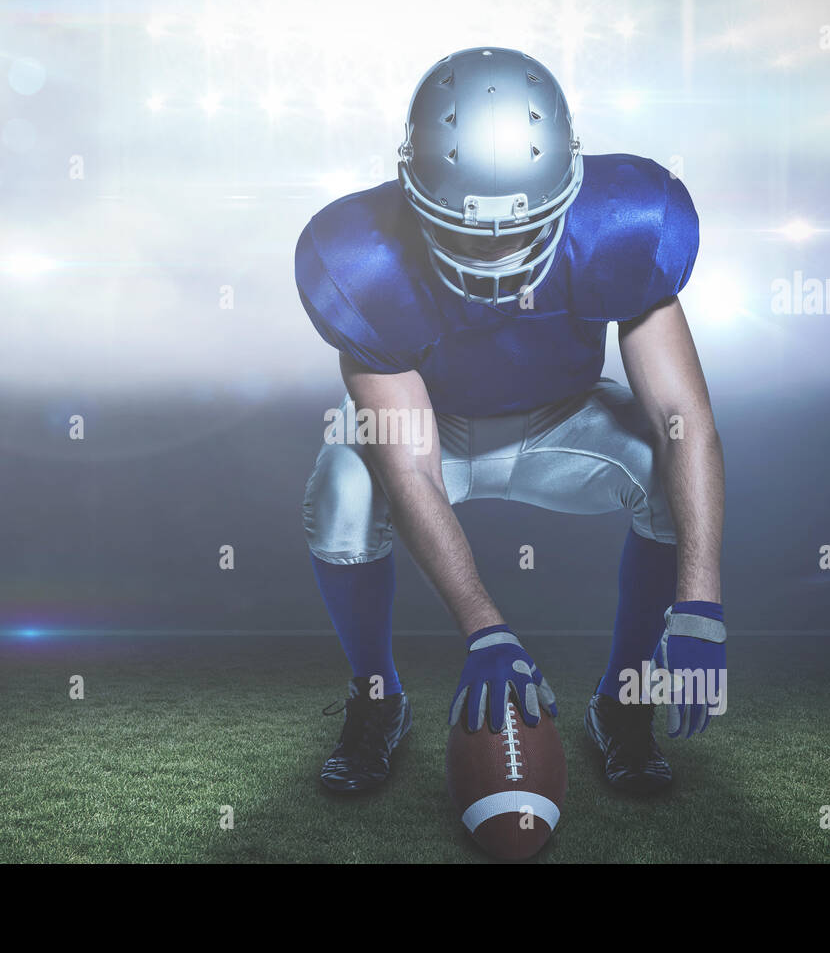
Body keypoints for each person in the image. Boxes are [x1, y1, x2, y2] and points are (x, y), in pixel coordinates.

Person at [296, 47, 727, 795]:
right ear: (411, 188)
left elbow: (683, 415)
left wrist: (701, 602)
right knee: (343, 492)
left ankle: (622, 702)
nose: (494, 253)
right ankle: (378, 698)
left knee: (669, 472)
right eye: (467, 231)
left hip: (564, 420)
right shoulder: (359, 260)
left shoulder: (625, 223)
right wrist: (485, 627)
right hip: (435, 430)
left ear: (573, 188)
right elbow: (412, 467)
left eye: (514, 229)